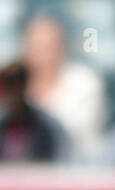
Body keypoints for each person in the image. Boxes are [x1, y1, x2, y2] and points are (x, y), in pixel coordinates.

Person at [22, 14, 106, 162]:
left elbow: (76, 134)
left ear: (62, 47)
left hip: (77, 167)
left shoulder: (85, 83)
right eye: (38, 47)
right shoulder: (14, 83)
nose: (44, 56)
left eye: (49, 47)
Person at [0, 61, 69, 163]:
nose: (15, 90)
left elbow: (61, 166)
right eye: (9, 84)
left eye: (20, 83)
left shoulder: (49, 127)